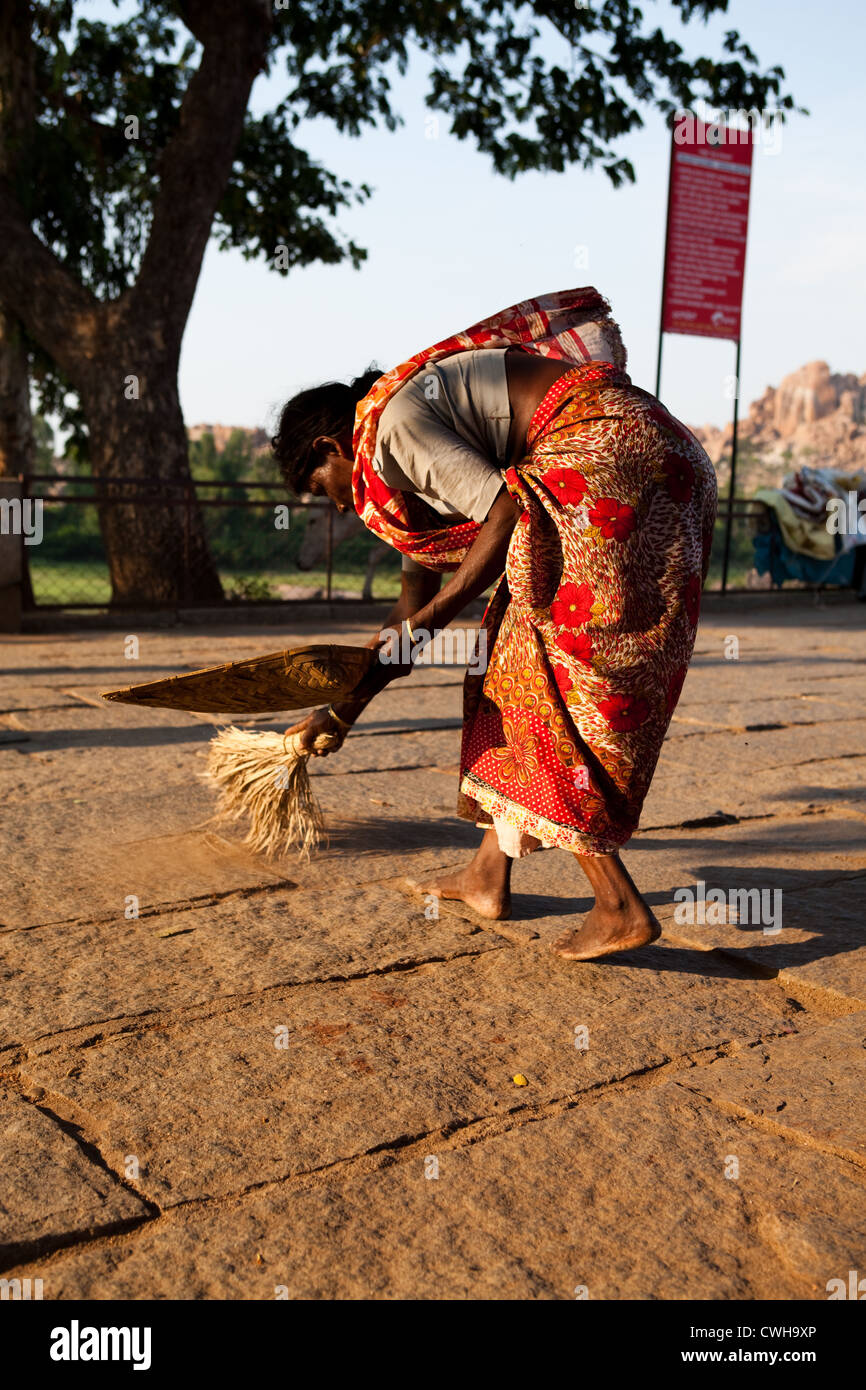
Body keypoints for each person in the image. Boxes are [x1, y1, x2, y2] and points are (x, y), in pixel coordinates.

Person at [272, 289, 717, 960]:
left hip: (600, 458)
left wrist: (440, 614)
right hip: (661, 456)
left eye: (320, 487)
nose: (334, 505)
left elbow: (508, 510)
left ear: (332, 446)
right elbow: (407, 617)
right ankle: (488, 874)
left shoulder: (390, 429)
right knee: (500, 670)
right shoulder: (398, 467)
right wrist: (341, 710)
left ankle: (617, 904)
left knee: (528, 682)